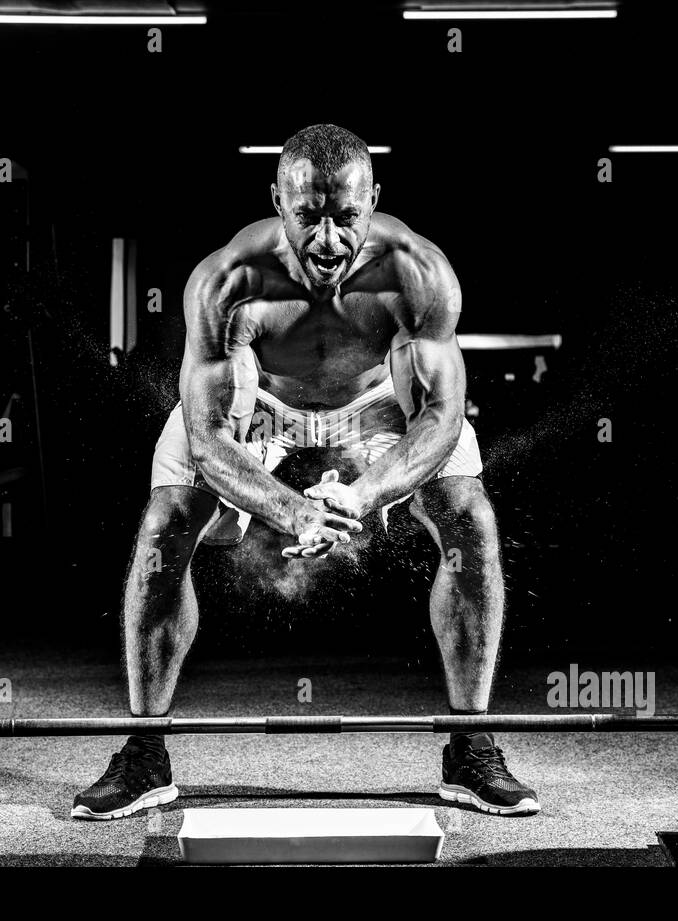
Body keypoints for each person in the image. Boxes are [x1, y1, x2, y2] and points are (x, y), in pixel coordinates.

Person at [74, 123, 537, 819]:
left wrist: (360, 494)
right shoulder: (228, 281)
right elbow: (204, 438)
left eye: (347, 217)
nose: (326, 241)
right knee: (165, 524)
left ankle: (470, 747)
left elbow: (442, 415)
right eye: (306, 217)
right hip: (259, 402)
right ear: (276, 200)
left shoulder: (417, 272)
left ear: (374, 200)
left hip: (376, 402)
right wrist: (293, 509)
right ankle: (145, 750)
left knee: (469, 516)